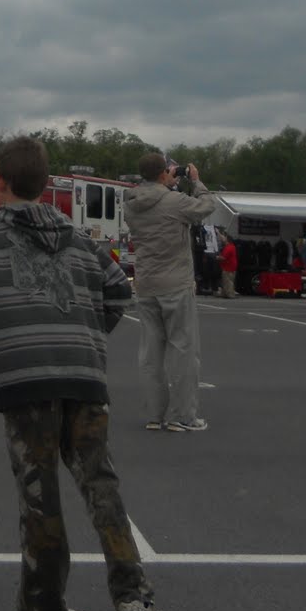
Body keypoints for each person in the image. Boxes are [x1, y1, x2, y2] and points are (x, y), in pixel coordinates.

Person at [0, 137, 170, 611]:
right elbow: (118, 289)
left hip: (26, 381)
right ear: (47, 183)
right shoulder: (80, 237)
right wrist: (91, 337)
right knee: (101, 485)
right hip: (84, 377)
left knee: (40, 497)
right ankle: (136, 603)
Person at [122, 153, 217, 433]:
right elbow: (206, 206)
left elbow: (155, 199)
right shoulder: (174, 202)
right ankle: (183, 415)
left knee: (151, 353)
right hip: (175, 284)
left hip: (147, 284)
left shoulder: (131, 203)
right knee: (183, 350)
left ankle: (155, 414)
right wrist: (196, 181)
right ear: (164, 173)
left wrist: (167, 183)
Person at [217, 233, 238, 298]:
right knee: (228, 281)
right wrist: (218, 233)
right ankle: (225, 293)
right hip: (230, 266)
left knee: (228, 281)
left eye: (225, 238)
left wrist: (216, 257)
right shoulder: (231, 246)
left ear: (227, 240)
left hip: (228, 267)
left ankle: (230, 294)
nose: (223, 239)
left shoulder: (228, 247)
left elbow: (223, 257)